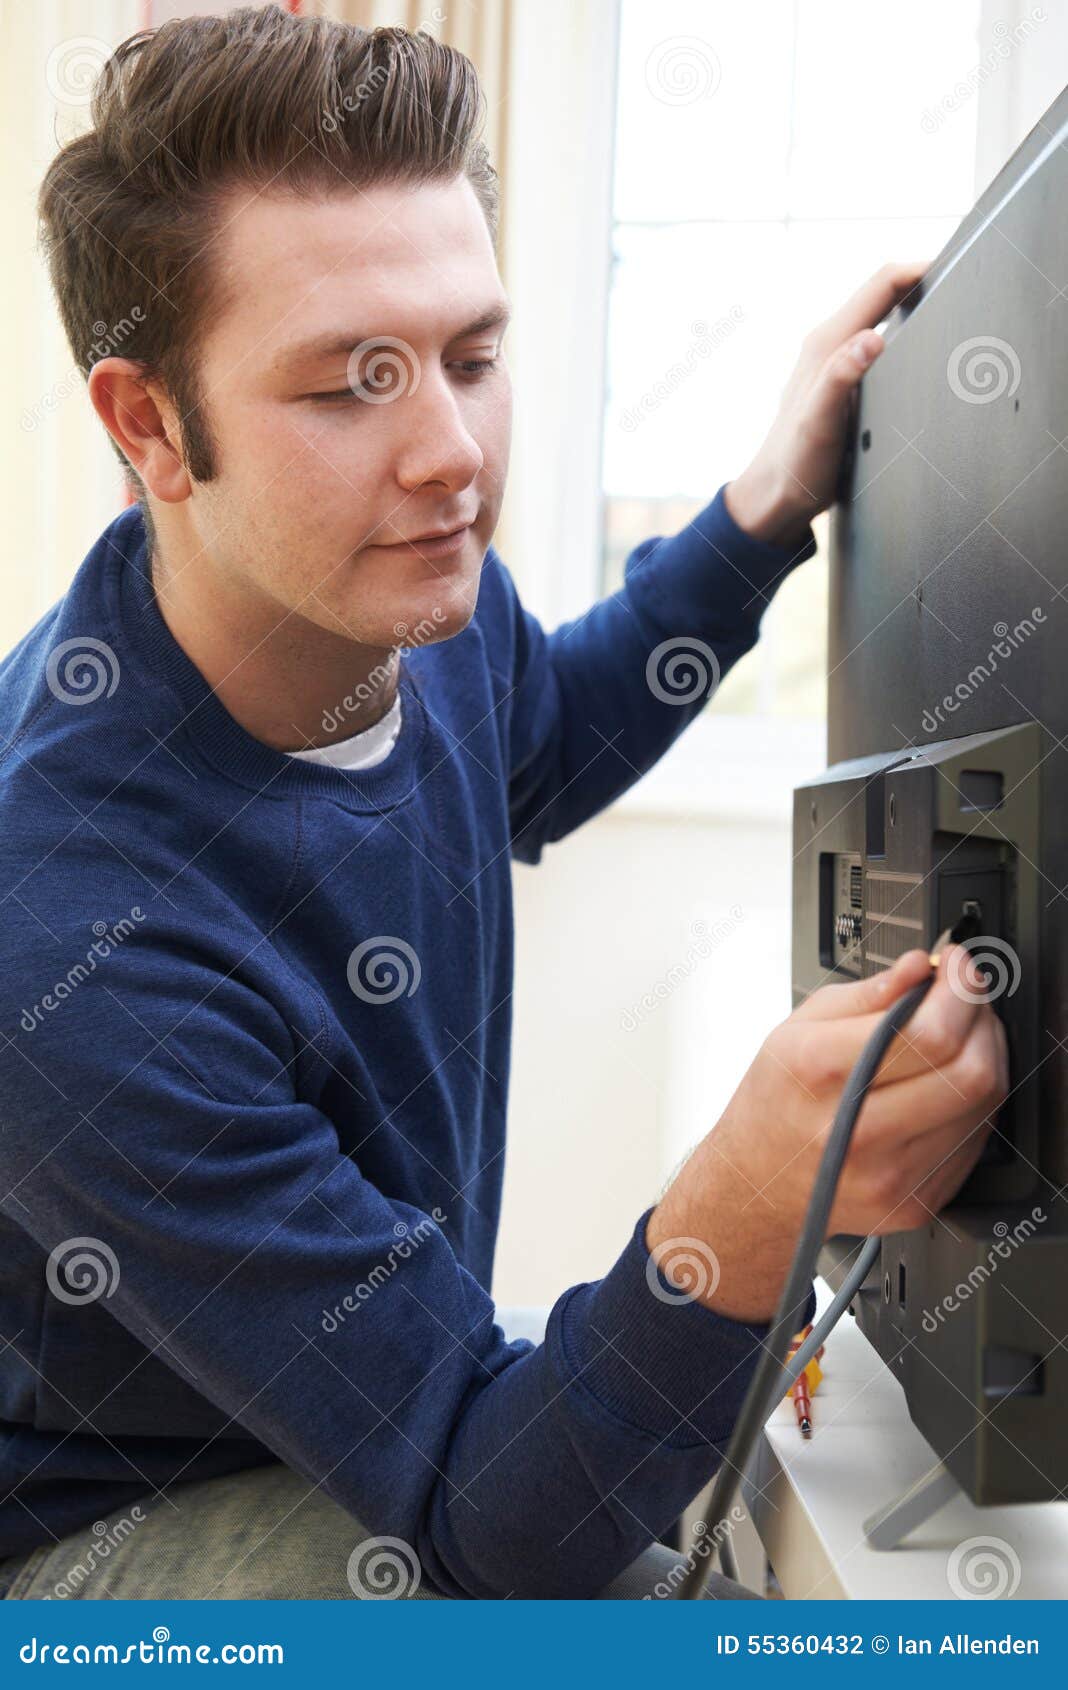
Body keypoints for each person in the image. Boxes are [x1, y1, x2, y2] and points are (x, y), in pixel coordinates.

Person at [0, 7, 1006, 1602]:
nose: (452, 452)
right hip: (99, 1532)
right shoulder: (67, 934)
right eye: (351, 387)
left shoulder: (383, 593)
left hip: (356, 1397)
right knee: (653, 1593)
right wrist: (739, 1204)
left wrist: (759, 512)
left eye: (473, 356)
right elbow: (493, 1530)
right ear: (146, 425)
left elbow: (541, 734)